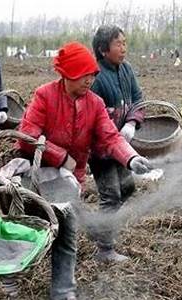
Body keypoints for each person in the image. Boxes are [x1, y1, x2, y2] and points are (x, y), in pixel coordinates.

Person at [17, 41, 152, 300]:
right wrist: (60, 156)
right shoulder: (45, 95)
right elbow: (27, 135)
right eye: (83, 76)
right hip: (37, 178)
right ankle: (12, 277)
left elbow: (110, 137)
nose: (89, 80)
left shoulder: (95, 103)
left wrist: (131, 159)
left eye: (92, 74)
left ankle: (64, 292)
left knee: (66, 236)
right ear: (66, 75)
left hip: (69, 182)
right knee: (32, 232)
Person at [89, 25, 145, 262]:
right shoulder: (96, 78)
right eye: (118, 44)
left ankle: (100, 225)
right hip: (101, 150)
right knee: (111, 195)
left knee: (128, 188)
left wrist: (131, 123)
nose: (124, 48)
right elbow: (91, 118)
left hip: (122, 146)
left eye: (124, 42)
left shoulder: (126, 70)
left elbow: (138, 99)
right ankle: (105, 249)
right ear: (103, 50)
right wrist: (111, 136)